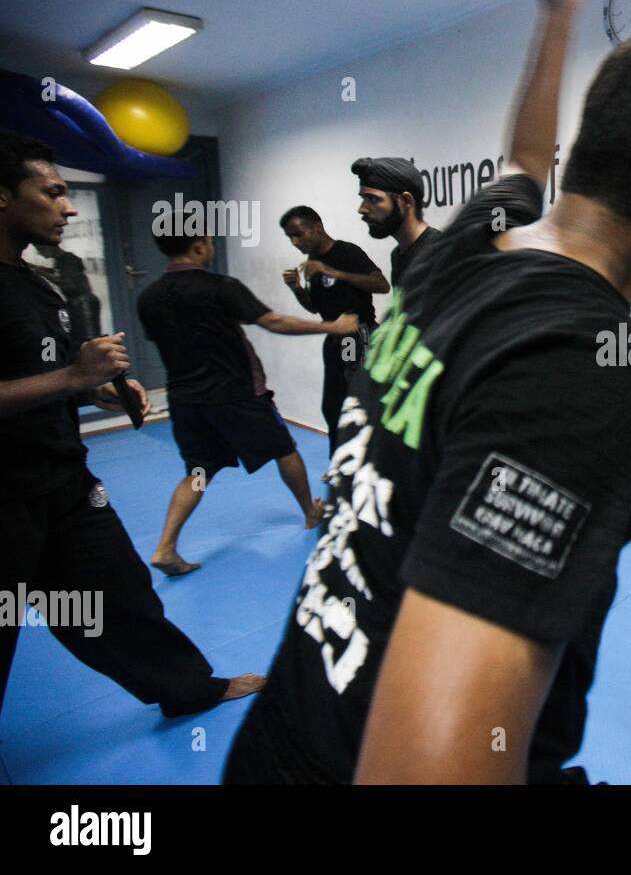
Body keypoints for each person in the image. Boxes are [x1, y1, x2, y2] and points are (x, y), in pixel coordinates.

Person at [224, 0, 631, 785]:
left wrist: (556, 15)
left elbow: (522, 161)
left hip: (279, 742)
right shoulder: (582, 370)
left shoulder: (465, 241)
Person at [0, 130, 264, 718]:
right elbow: (57, 378)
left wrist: (98, 391)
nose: (68, 206)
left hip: (63, 484)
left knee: (120, 598)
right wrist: (71, 380)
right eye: (52, 192)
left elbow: (50, 376)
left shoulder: (37, 286)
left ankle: (189, 688)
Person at [136, 229, 359, 576]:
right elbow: (274, 321)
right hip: (236, 396)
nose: (211, 246)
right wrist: (334, 328)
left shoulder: (148, 297)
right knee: (285, 449)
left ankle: (165, 547)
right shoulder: (220, 286)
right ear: (198, 245)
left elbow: (181, 330)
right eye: (208, 241)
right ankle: (309, 512)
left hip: (185, 401)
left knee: (198, 472)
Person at [280, 205, 388, 451]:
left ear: (316, 228)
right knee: (332, 407)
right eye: (290, 237)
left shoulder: (347, 252)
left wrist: (333, 272)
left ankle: (369, 462)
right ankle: (339, 462)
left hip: (357, 336)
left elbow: (381, 285)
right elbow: (316, 309)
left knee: (359, 402)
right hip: (334, 339)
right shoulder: (312, 262)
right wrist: (296, 288)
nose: (295, 242)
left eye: (298, 234)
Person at [352, 156, 439, 287]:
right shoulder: (397, 256)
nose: (362, 209)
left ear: (406, 201)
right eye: (364, 198)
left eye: (373, 199)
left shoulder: (441, 252)